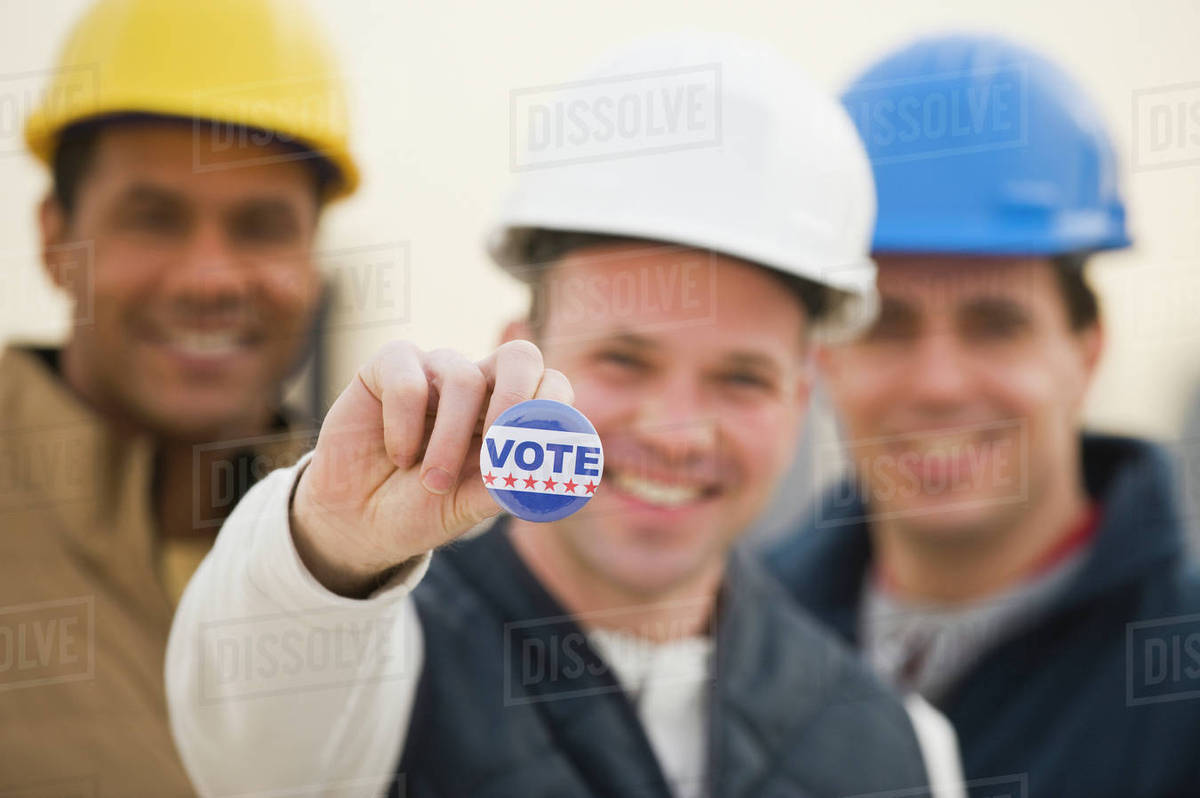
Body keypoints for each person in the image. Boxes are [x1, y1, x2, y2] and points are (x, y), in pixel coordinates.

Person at [166, 33, 963, 798]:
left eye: (742, 378)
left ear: (799, 400)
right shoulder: (373, 667)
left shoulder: (905, 750)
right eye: (623, 359)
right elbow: (257, 761)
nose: (676, 431)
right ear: (520, 352)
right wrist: (328, 550)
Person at [768, 33, 1200, 797]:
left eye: (996, 324)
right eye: (887, 325)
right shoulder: (733, 632)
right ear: (825, 357)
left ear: (1086, 352)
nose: (937, 383)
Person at [0, 0, 357, 793]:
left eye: (261, 225)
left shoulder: (379, 554)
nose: (210, 279)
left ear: (312, 263)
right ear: (56, 239)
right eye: (153, 219)